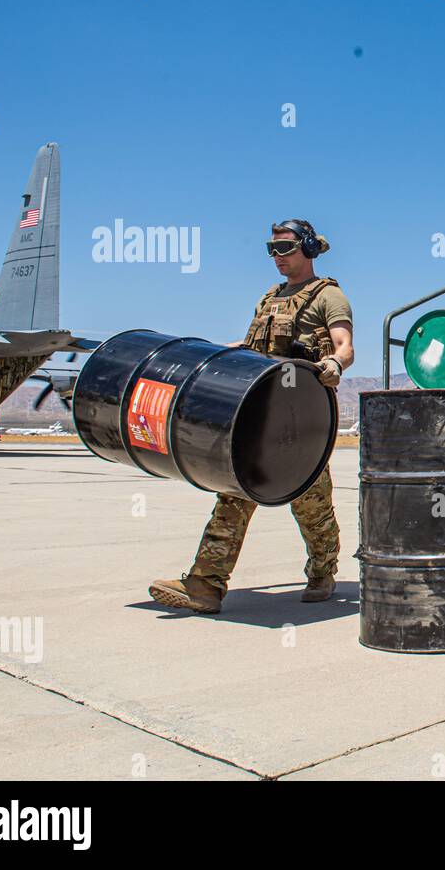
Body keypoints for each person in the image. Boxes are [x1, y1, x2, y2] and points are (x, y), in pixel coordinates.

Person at [148, 219, 354, 614]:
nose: (276, 257)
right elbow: (249, 348)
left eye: (285, 248)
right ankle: (206, 584)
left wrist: (333, 363)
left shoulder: (329, 296)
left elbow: (345, 346)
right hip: (258, 416)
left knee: (313, 508)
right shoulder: (268, 299)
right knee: (234, 495)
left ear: (307, 248)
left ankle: (322, 572)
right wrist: (203, 354)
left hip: (300, 421)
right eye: (271, 249)